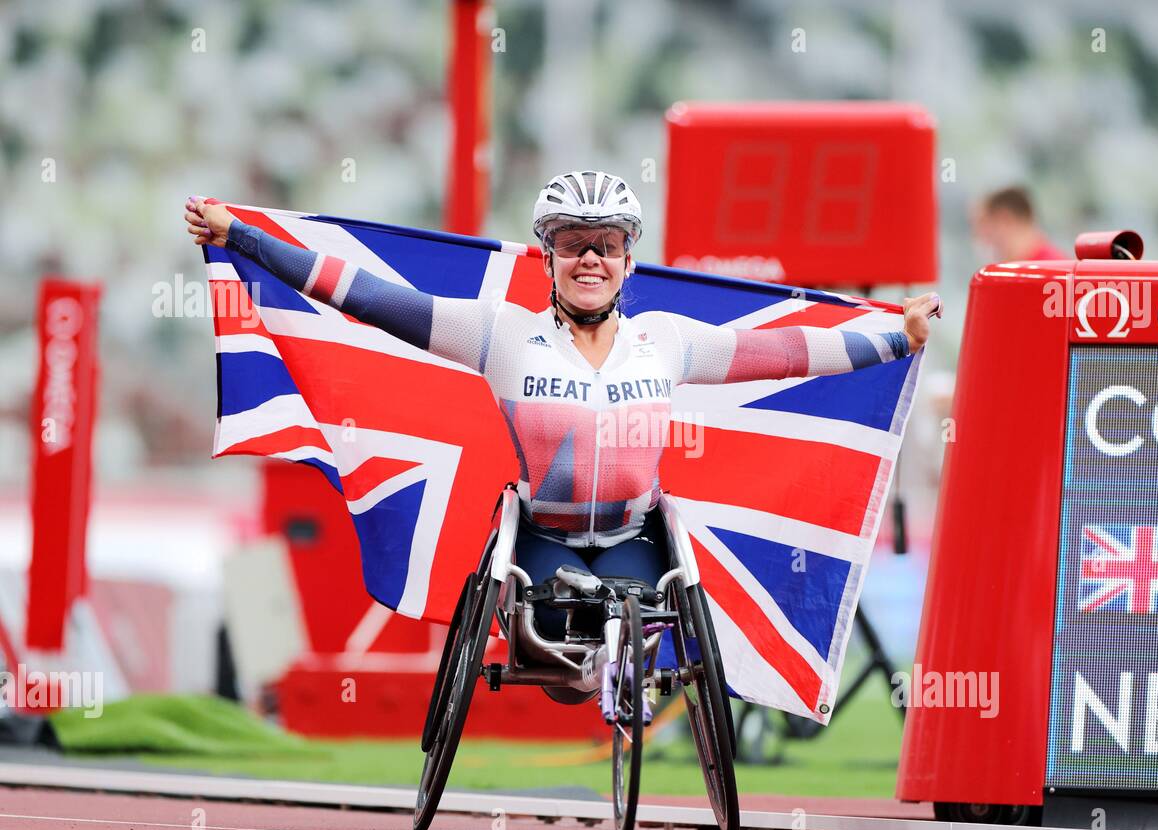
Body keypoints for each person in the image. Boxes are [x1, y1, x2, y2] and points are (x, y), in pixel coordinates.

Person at [185, 170, 936, 639]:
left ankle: (621, 678)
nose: (590, 258)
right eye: (573, 243)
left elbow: (789, 351)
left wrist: (895, 338)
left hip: (637, 540)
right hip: (542, 540)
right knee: (556, 622)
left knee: (636, 619)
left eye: (606, 244)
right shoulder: (501, 335)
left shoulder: (667, 341)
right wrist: (243, 238)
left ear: (628, 260)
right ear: (548, 257)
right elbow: (370, 298)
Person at [971, 186, 1067, 261]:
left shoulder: (1051, 271)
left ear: (1005, 219)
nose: (978, 235)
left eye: (982, 224)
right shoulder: (1015, 271)